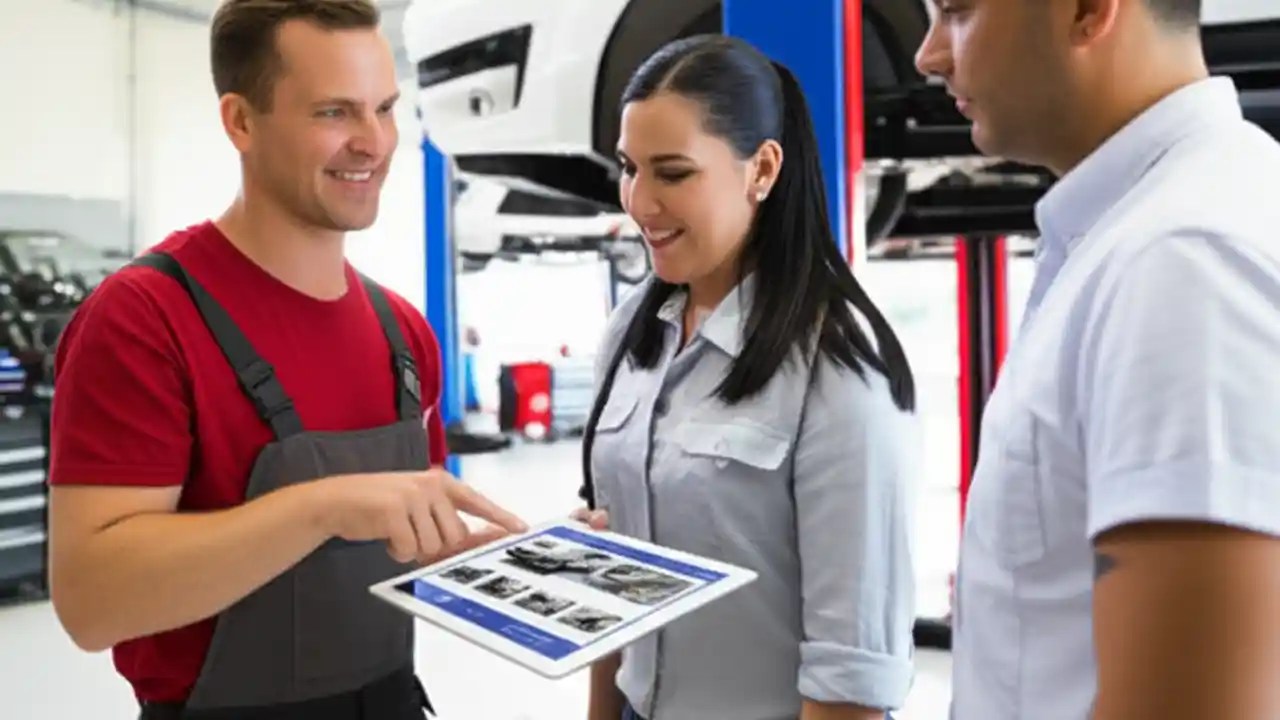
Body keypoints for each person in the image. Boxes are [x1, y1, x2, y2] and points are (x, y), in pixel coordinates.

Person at [45, 1, 526, 718]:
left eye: (385, 109)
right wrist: (320, 506)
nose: (374, 143)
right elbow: (92, 603)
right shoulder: (145, 319)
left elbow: (399, 544)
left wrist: (531, 561)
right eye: (334, 112)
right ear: (241, 121)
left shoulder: (404, 334)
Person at [914, 0, 1280, 717]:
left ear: (1086, 10)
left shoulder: (1182, 258)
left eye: (957, 10)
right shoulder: (1155, 227)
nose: (930, 55)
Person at [574, 34, 921, 720]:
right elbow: (610, 575)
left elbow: (851, 670)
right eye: (629, 168)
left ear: (761, 169)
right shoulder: (632, 335)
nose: (639, 202)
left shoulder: (837, 367)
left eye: (673, 173)